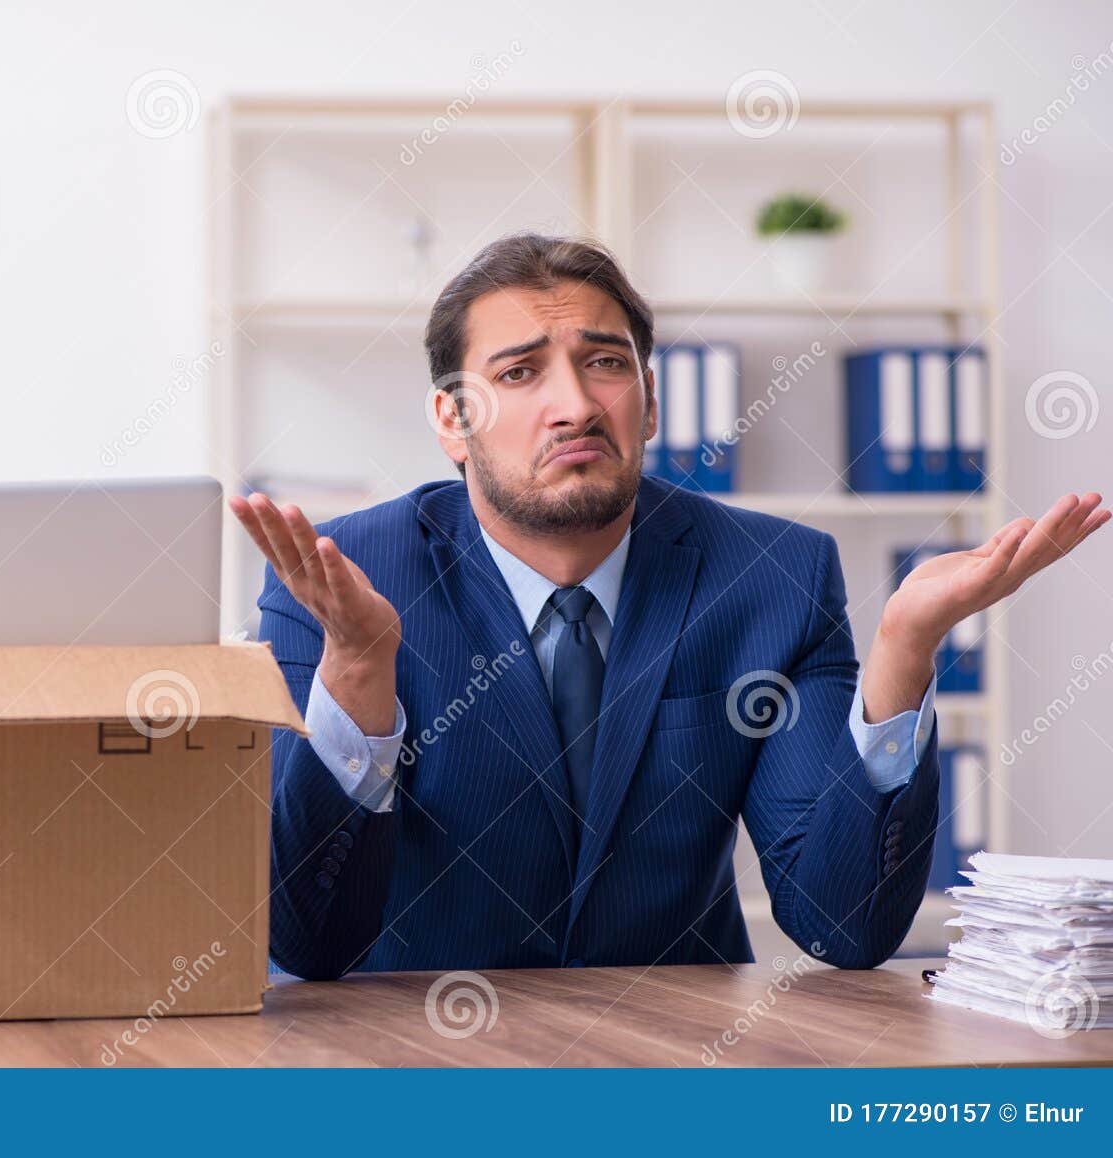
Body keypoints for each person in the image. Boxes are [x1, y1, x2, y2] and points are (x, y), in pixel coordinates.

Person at [230, 233, 1108, 980]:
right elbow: (311, 942)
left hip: (681, 1061)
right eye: (521, 373)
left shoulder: (773, 575)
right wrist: (355, 669)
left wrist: (906, 648)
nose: (574, 405)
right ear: (452, 419)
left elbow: (845, 924)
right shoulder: (340, 580)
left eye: (605, 363)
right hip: (415, 1068)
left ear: (649, 398)